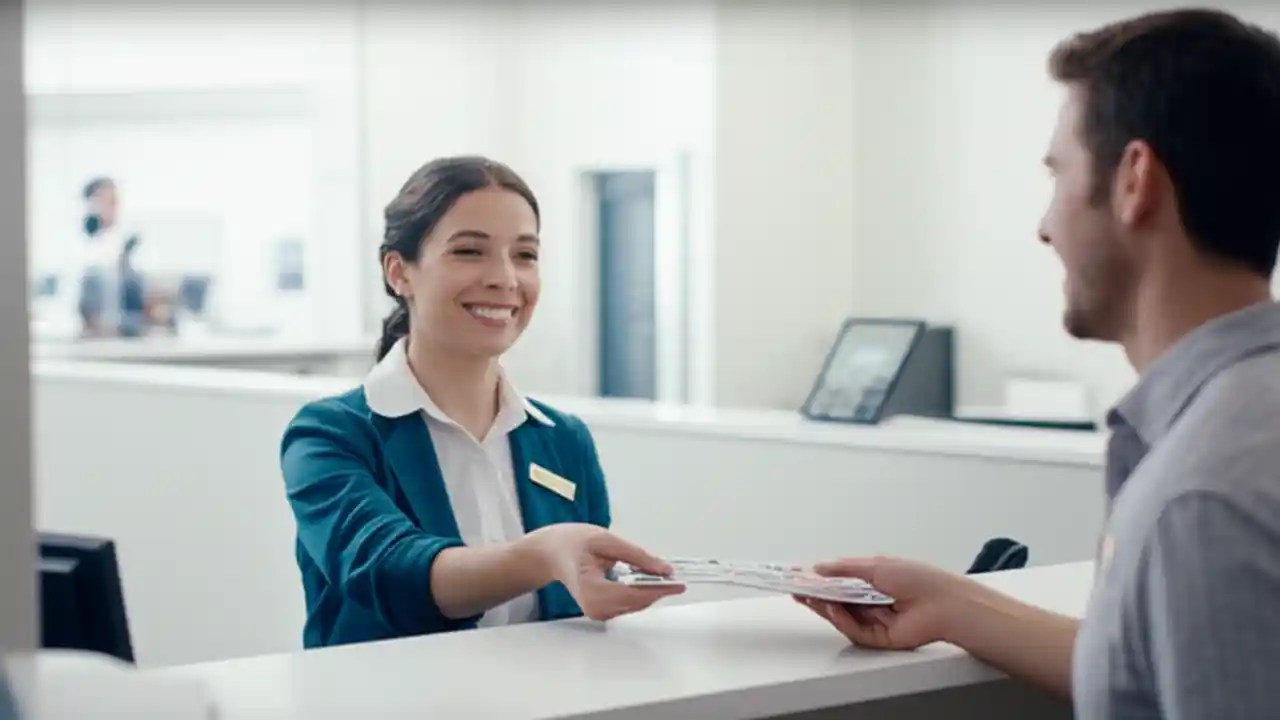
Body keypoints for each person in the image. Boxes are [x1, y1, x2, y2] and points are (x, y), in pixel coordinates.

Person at [802, 9, 1280, 718]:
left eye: (1059, 174)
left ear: (1133, 180)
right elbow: (1149, 668)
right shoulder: (1244, 425)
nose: (1045, 225)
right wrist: (955, 604)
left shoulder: (1201, 501)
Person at [280, 156, 683, 648]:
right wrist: (543, 554)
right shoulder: (330, 435)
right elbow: (389, 573)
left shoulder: (564, 440)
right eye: (470, 251)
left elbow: (576, 614)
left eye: (525, 255)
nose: (505, 278)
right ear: (398, 272)